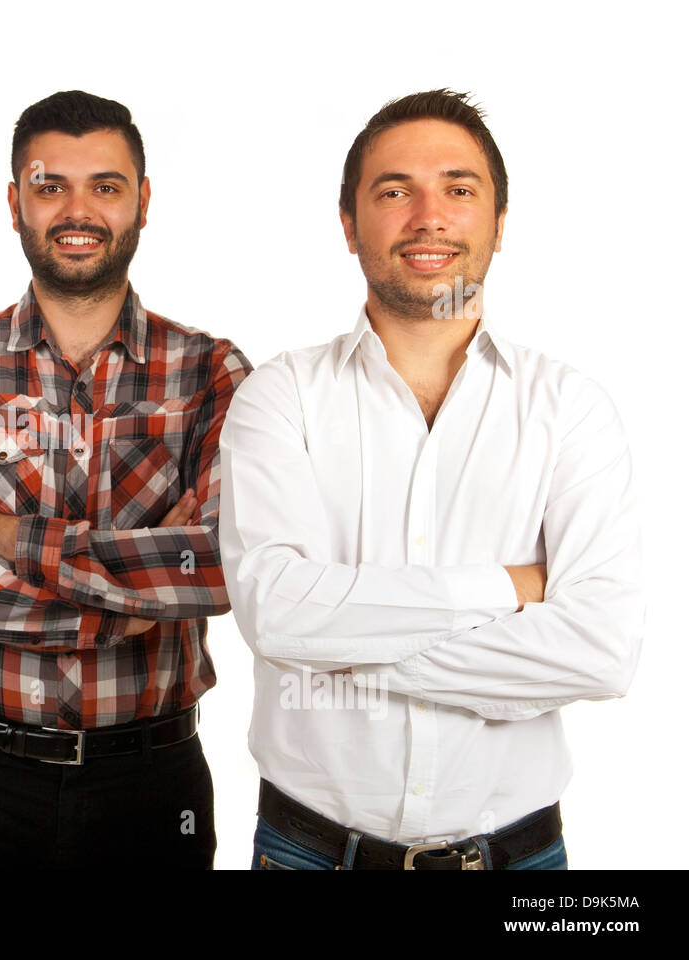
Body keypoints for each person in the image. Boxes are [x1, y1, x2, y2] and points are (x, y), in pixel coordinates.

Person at [218, 89, 643, 870]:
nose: (428, 216)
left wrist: (341, 643)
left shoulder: (570, 410)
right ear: (349, 225)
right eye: (394, 191)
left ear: (499, 224)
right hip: (309, 852)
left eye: (458, 188)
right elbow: (277, 615)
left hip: (518, 860)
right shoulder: (281, 397)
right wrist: (506, 588)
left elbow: (599, 649)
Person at [0, 90, 252, 869]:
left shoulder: (211, 373)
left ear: (142, 202)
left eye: (105, 187)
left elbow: (220, 563)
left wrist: (11, 536)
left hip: (151, 787)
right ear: (15, 202)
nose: (76, 210)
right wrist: (129, 603)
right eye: (51, 186)